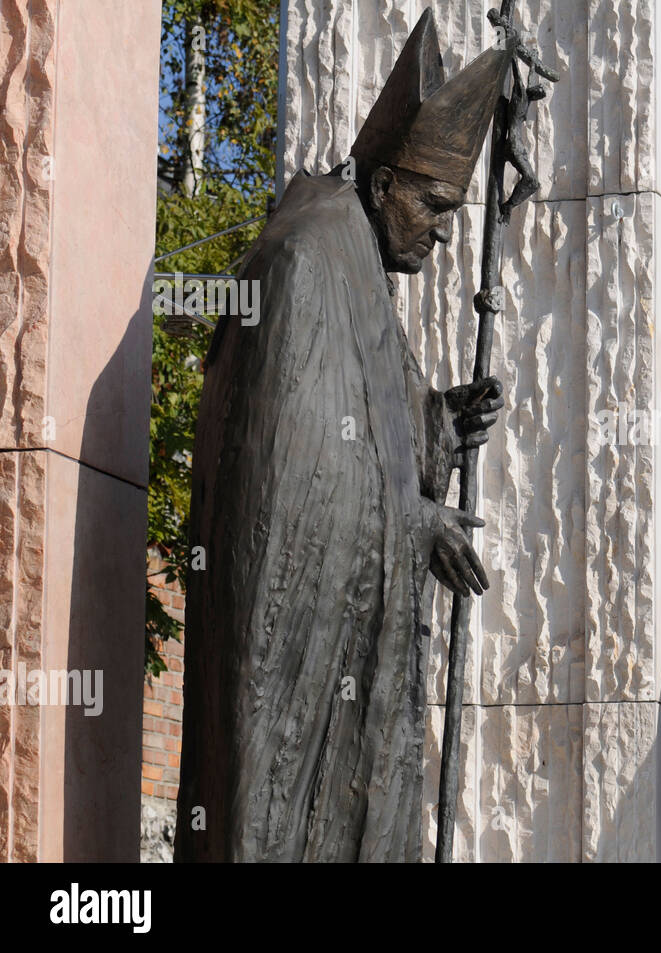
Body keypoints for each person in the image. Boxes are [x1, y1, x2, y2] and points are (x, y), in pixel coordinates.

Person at [177, 10, 509, 861]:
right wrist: (414, 522)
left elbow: (368, 441)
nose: (441, 229)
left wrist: (439, 420)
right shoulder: (308, 260)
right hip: (298, 675)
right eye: (434, 204)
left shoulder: (356, 263)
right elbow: (298, 493)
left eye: (454, 211)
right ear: (384, 180)